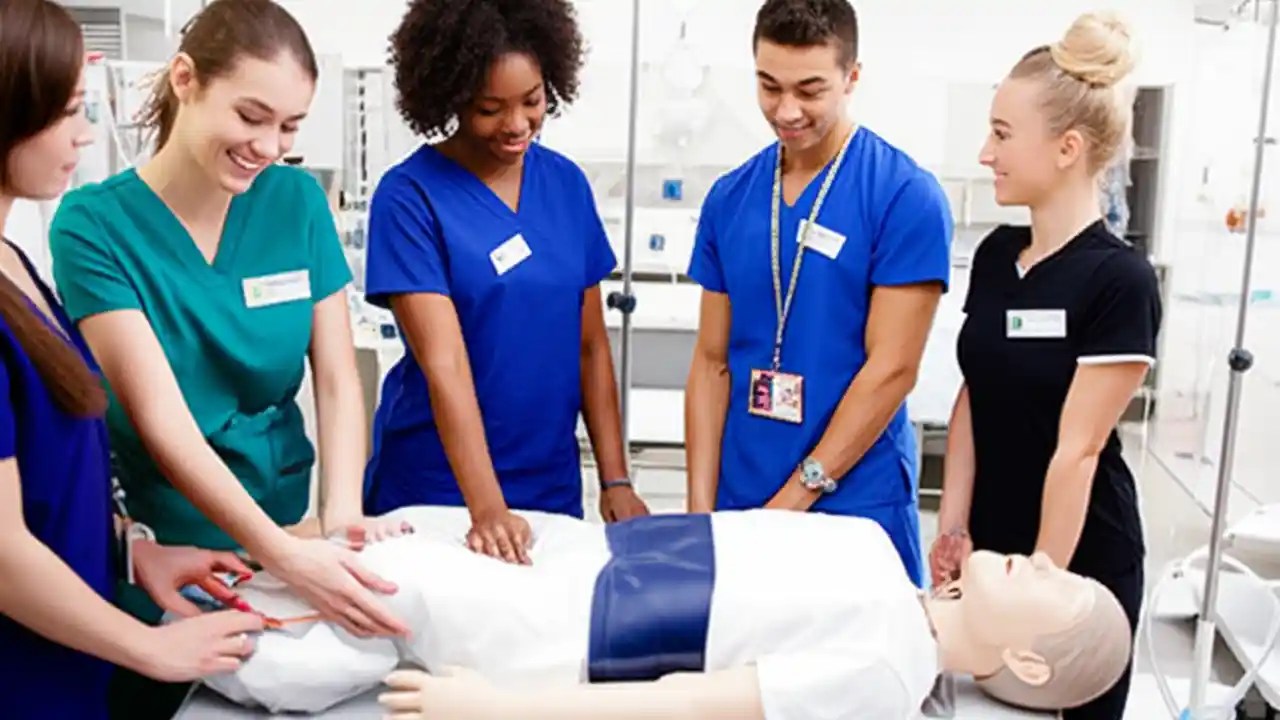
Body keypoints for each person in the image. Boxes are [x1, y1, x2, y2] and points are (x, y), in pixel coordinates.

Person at [185, 505, 1132, 719]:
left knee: (388, 600)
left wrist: (505, 712)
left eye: (1063, 583)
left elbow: (692, 703)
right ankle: (193, 582)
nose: (1051, 556)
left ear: (1033, 666)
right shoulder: (882, 558)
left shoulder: (888, 672)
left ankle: (195, 638)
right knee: (385, 554)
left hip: (569, 636)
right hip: (579, 564)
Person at [0, 2, 272, 717]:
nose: (86, 133)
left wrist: (134, 550)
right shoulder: (87, 230)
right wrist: (148, 646)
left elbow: (53, 474)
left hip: (74, 657)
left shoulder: (15, 267)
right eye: (64, 113)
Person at [929, 12, 1161, 719]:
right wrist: (953, 523)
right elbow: (979, 389)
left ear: (1066, 148)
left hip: (1075, 562)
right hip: (996, 552)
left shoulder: (1119, 282)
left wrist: (1041, 591)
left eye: (1002, 134)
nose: (985, 152)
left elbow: (1079, 451)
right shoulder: (1000, 257)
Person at [362, 0, 649, 564]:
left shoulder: (565, 185)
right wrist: (486, 507)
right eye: (489, 108)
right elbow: (445, 365)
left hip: (550, 486)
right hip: (440, 490)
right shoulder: (411, 197)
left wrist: (615, 480)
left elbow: (590, 346)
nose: (516, 125)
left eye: (532, 101)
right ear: (449, 97)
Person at [684, 0, 952, 586]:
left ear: (852, 77)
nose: (786, 110)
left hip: (853, 505)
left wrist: (790, 504)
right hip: (742, 500)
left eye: (810, 90)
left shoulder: (903, 196)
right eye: (768, 85)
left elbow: (892, 369)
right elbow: (710, 363)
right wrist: (701, 517)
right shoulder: (731, 198)